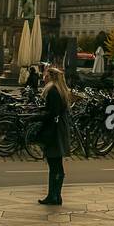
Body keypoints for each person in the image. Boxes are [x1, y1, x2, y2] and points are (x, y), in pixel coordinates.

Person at [38, 65, 73, 205]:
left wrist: (37, 117)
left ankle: (53, 195)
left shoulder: (52, 91)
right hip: (60, 129)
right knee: (57, 164)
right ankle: (56, 195)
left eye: (46, 76)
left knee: (54, 164)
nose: (44, 78)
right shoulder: (61, 90)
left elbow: (51, 112)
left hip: (54, 131)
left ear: (50, 77)